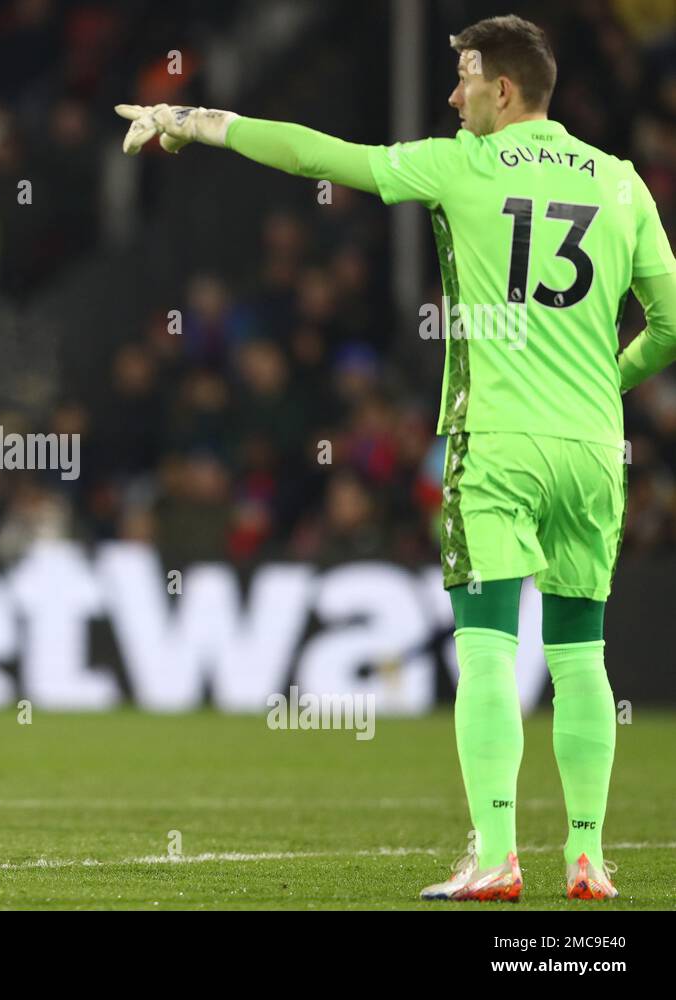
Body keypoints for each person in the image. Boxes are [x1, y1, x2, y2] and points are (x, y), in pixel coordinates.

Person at [117, 14, 676, 901]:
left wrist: (195, 122)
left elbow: (317, 155)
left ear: (503, 90)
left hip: (497, 443)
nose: (452, 98)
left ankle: (495, 854)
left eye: (462, 81)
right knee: (580, 656)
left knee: (489, 649)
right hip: (593, 450)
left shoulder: (466, 163)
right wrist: (607, 378)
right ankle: (588, 857)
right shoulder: (623, 183)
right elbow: (671, 324)